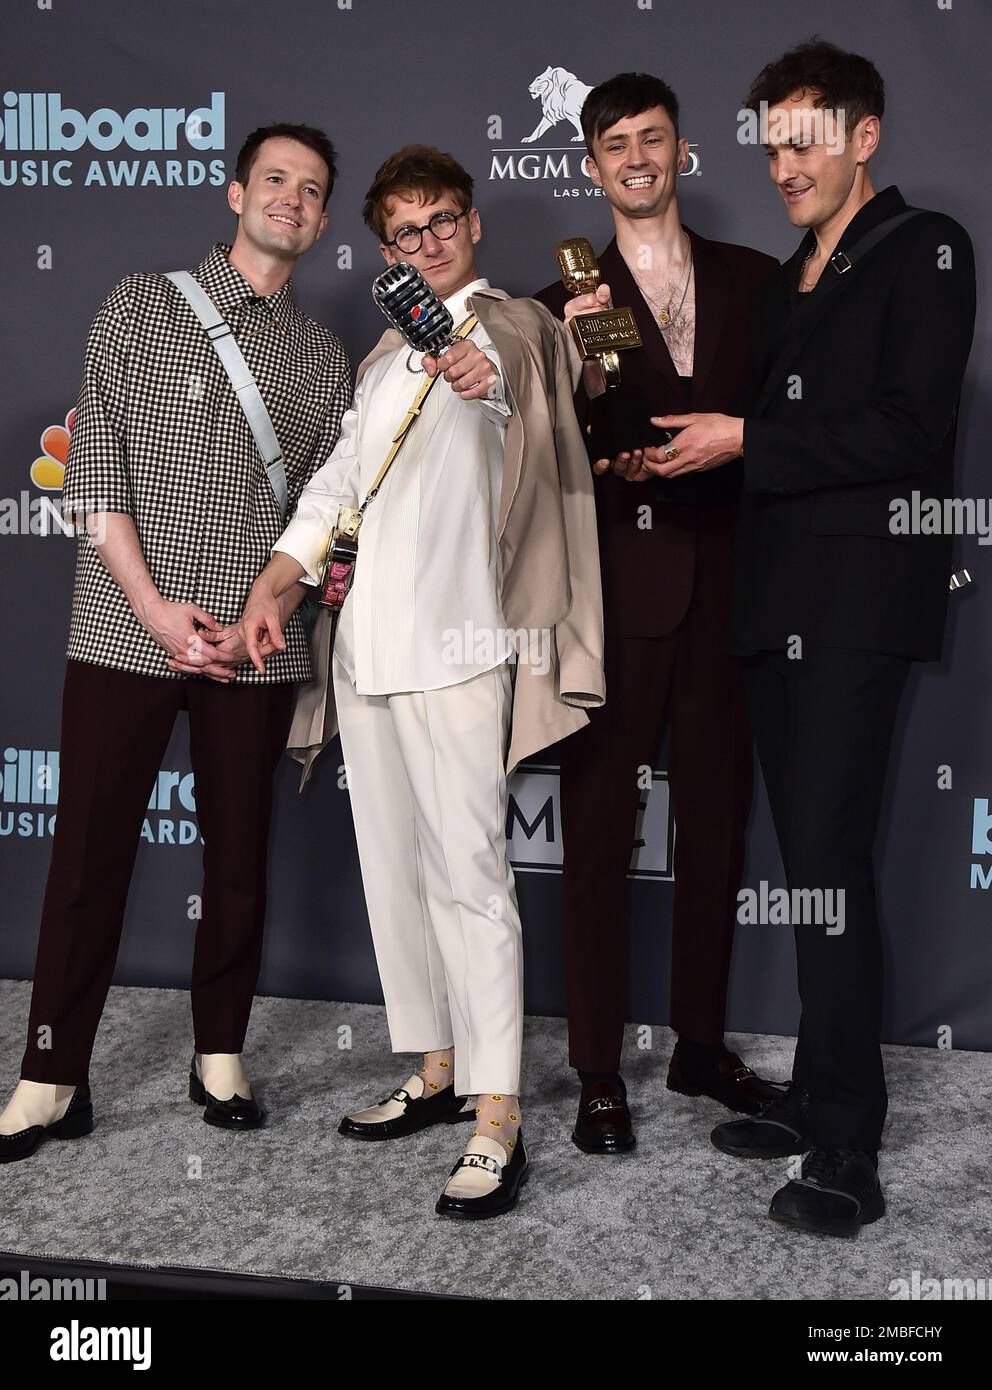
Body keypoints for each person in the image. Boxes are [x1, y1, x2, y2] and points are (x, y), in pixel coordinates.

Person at [641, 41, 976, 1236]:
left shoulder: (924, 248)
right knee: (810, 871)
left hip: (852, 615)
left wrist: (742, 440)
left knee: (832, 876)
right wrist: (678, 447)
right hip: (771, 615)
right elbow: (755, 437)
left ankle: (847, 1149)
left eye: (804, 140)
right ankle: (819, 1094)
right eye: (769, 143)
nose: (782, 163)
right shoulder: (788, 277)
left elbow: (905, 426)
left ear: (862, 136)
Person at [242, 145, 604, 1218]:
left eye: (443, 219)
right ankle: (437, 1065)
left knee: (470, 877)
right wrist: (276, 580)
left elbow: (521, 410)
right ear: (384, 245)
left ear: (473, 222)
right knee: (393, 873)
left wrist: (478, 376)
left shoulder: (512, 329)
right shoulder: (380, 360)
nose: (427, 242)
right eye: (405, 231)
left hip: (461, 651)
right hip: (368, 653)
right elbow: (337, 483)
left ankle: (498, 1112)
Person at [0, 123, 351, 1162]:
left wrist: (274, 611)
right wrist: (157, 610)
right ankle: (52, 1076)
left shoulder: (323, 356)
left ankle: (219, 1054)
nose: (291, 199)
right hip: (126, 629)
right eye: (275, 179)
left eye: (311, 190)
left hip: (255, 643)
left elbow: (325, 516)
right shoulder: (139, 304)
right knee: (87, 858)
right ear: (236, 190)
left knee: (239, 855)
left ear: (324, 220)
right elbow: (94, 471)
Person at [534, 72, 782, 1155]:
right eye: (612, 146)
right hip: (614, 596)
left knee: (717, 824)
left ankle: (696, 1039)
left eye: (651, 139)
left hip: (731, 587)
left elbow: (783, 422)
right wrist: (596, 429)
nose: (634, 158)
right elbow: (533, 458)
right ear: (589, 167)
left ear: (682, 153)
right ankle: (595, 1064)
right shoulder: (557, 303)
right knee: (593, 828)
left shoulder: (758, 279)